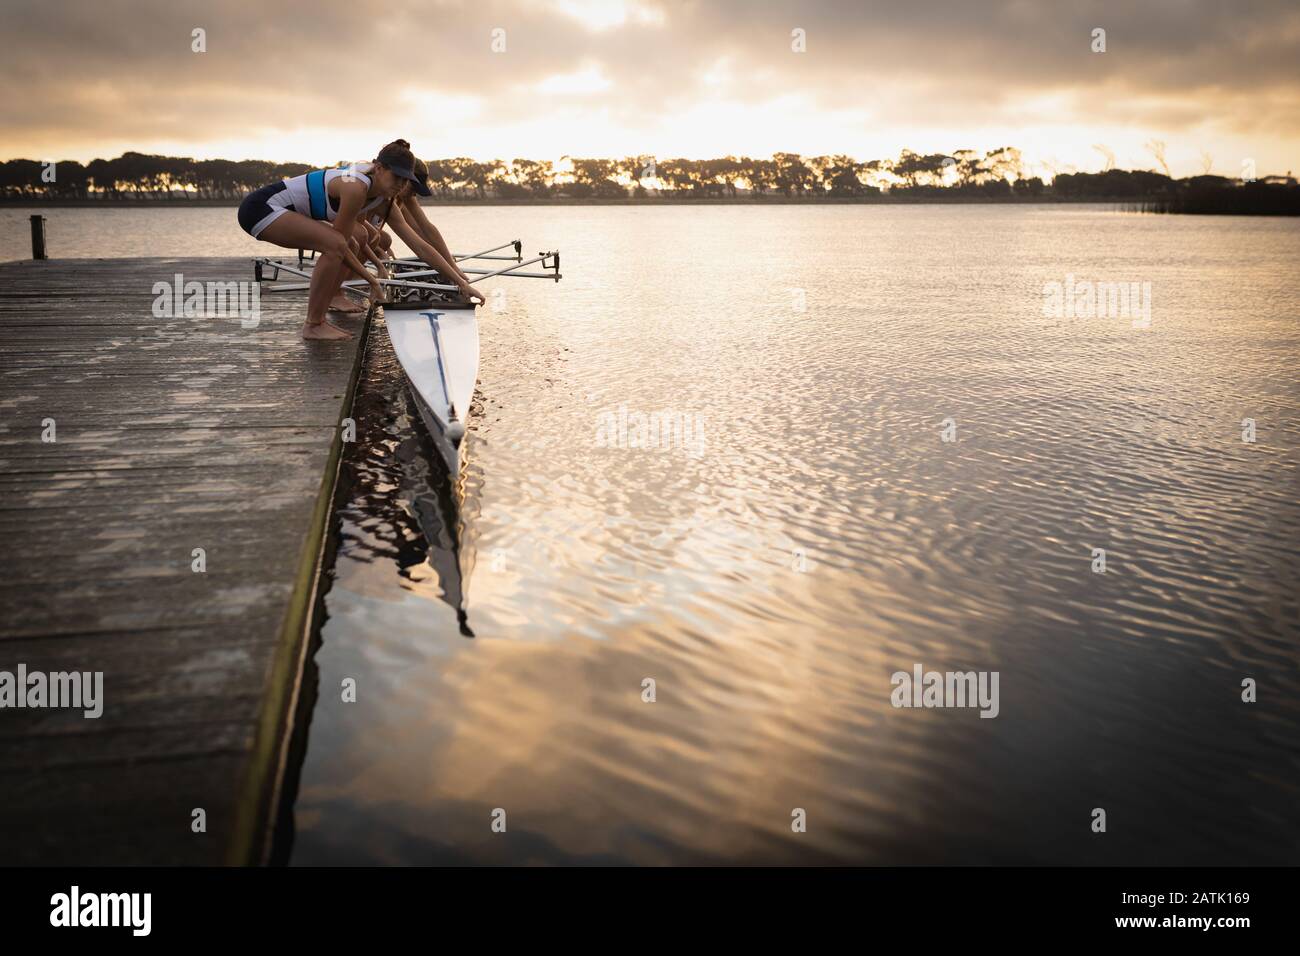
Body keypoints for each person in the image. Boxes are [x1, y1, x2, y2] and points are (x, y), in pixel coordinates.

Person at [237, 140, 424, 339]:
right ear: (378, 168)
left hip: (273, 210)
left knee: (348, 243)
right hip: (259, 208)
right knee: (336, 245)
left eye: (405, 179)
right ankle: (314, 324)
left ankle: (324, 312)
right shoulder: (356, 187)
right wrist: (374, 280)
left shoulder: (374, 190)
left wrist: (459, 281)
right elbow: (338, 245)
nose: (401, 184)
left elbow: (347, 245)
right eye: (397, 177)